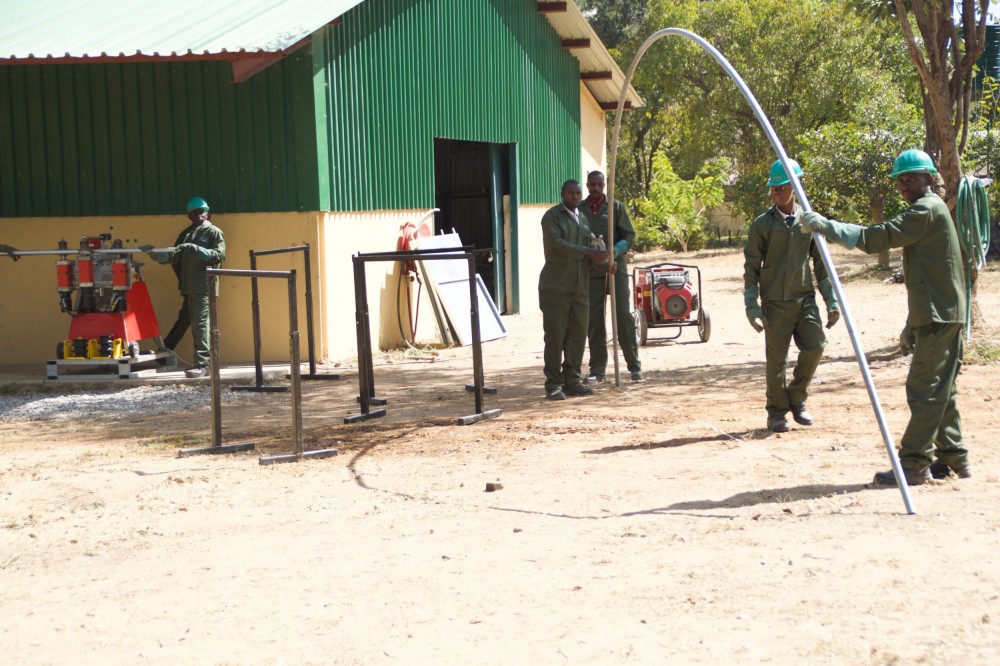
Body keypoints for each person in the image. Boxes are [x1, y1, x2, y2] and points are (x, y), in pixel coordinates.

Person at [802, 149, 969, 485]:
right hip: (938, 314)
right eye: (900, 180)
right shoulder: (930, 211)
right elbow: (932, 276)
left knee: (925, 390)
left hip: (940, 318)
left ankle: (914, 464)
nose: (904, 185)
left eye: (911, 178)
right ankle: (952, 459)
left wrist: (828, 226)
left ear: (929, 179)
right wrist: (913, 321)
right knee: (942, 390)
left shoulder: (925, 210)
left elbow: (876, 237)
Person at [743, 159, 840, 433]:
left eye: (781, 187)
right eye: (772, 188)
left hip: (804, 300)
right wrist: (752, 306)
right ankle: (776, 413)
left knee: (816, 345)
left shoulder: (810, 223)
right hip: (774, 304)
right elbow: (750, 268)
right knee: (776, 361)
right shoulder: (762, 225)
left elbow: (822, 266)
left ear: (796, 186)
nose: (776, 192)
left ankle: (797, 398)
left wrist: (831, 300)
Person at [539, 180, 612, 400]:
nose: (575, 197)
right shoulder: (552, 217)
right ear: (562, 194)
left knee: (578, 336)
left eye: (578, 193)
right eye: (571, 193)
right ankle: (553, 384)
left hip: (580, 287)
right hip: (556, 287)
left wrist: (606, 261)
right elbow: (557, 245)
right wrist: (587, 253)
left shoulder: (583, 219)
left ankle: (573, 380)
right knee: (556, 336)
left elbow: (591, 249)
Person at [141, 197, 226, 378]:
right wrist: (155, 253)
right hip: (189, 288)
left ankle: (203, 365)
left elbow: (219, 254)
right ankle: (165, 351)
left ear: (207, 212)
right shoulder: (186, 234)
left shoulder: (214, 232)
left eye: (201, 211)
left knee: (200, 325)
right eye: (194, 213)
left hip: (204, 287)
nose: (198, 215)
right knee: (183, 323)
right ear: (189, 216)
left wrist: (197, 250)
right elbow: (174, 257)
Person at [579, 170, 643, 383]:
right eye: (592, 185)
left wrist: (614, 251)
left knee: (622, 316)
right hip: (593, 272)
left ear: (604, 185)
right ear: (587, 185)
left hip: (616, 269)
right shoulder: (580, 210)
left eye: (599, 184)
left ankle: (634, 366)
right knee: (594, 321)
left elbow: (629, 236)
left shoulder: (616, 207)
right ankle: (597, 369)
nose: (596, 188)